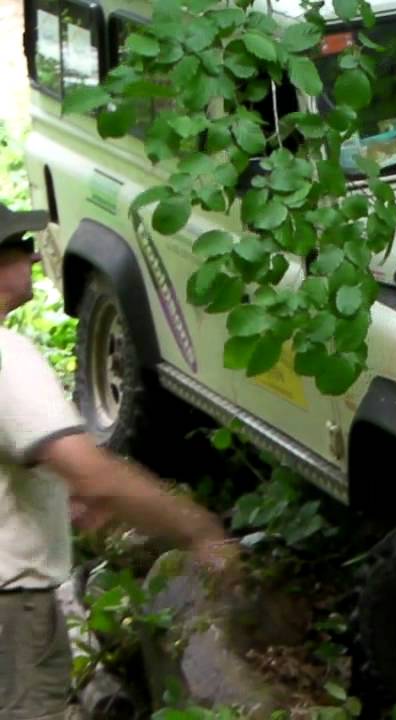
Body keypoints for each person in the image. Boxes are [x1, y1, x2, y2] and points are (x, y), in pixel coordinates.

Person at [0, 204, 238, 720]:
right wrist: (198, 528)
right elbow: (93, 471)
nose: (35, 259)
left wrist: (55, 496)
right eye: (21, 247)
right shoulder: (6, 357)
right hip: (11, 609)